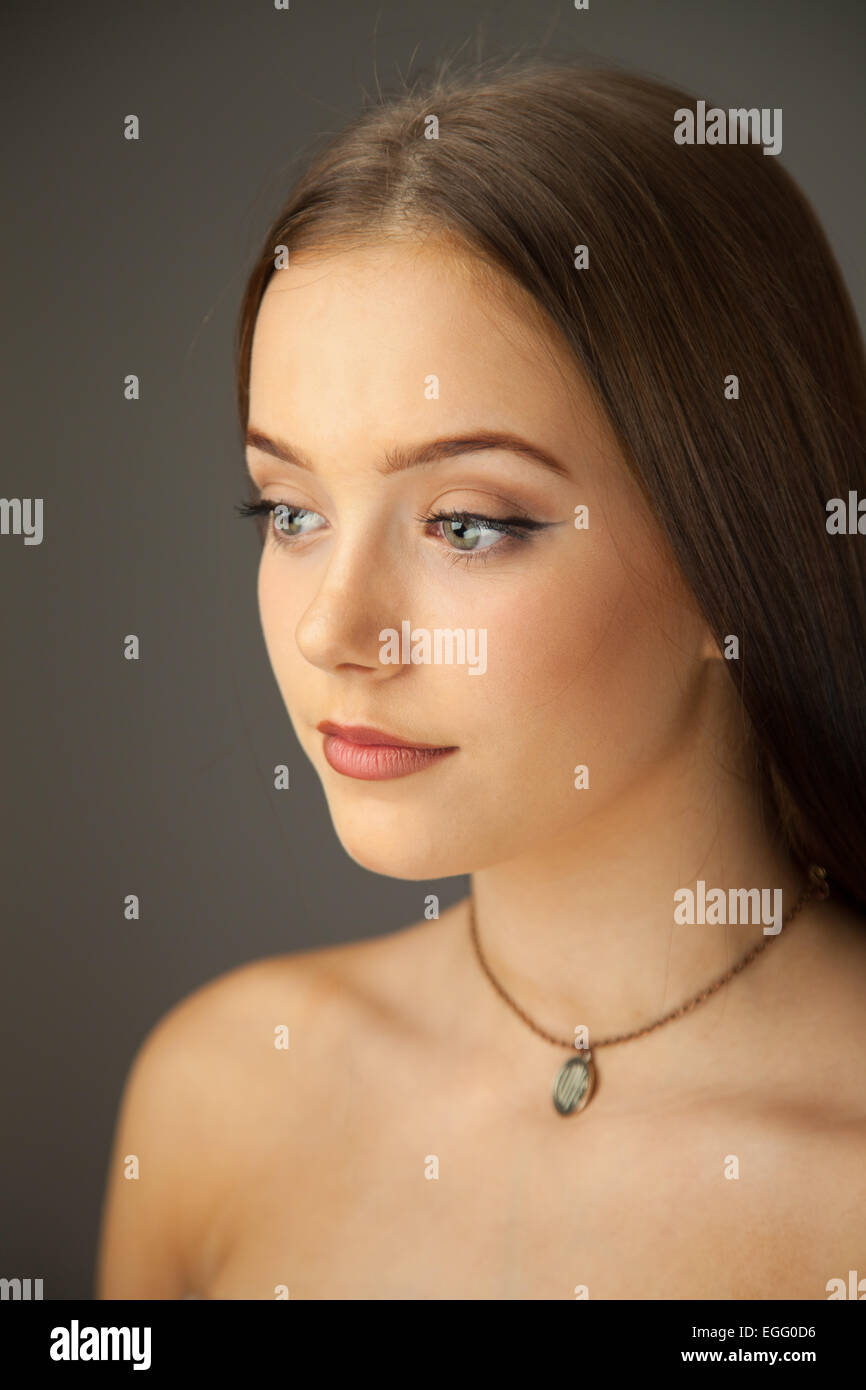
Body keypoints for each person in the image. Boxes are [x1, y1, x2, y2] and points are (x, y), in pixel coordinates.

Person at [97, 55, 866, 1300]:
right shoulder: (218, 1098)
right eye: (289, 511)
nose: (333, 631)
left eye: (465, 524)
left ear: (737, 536)